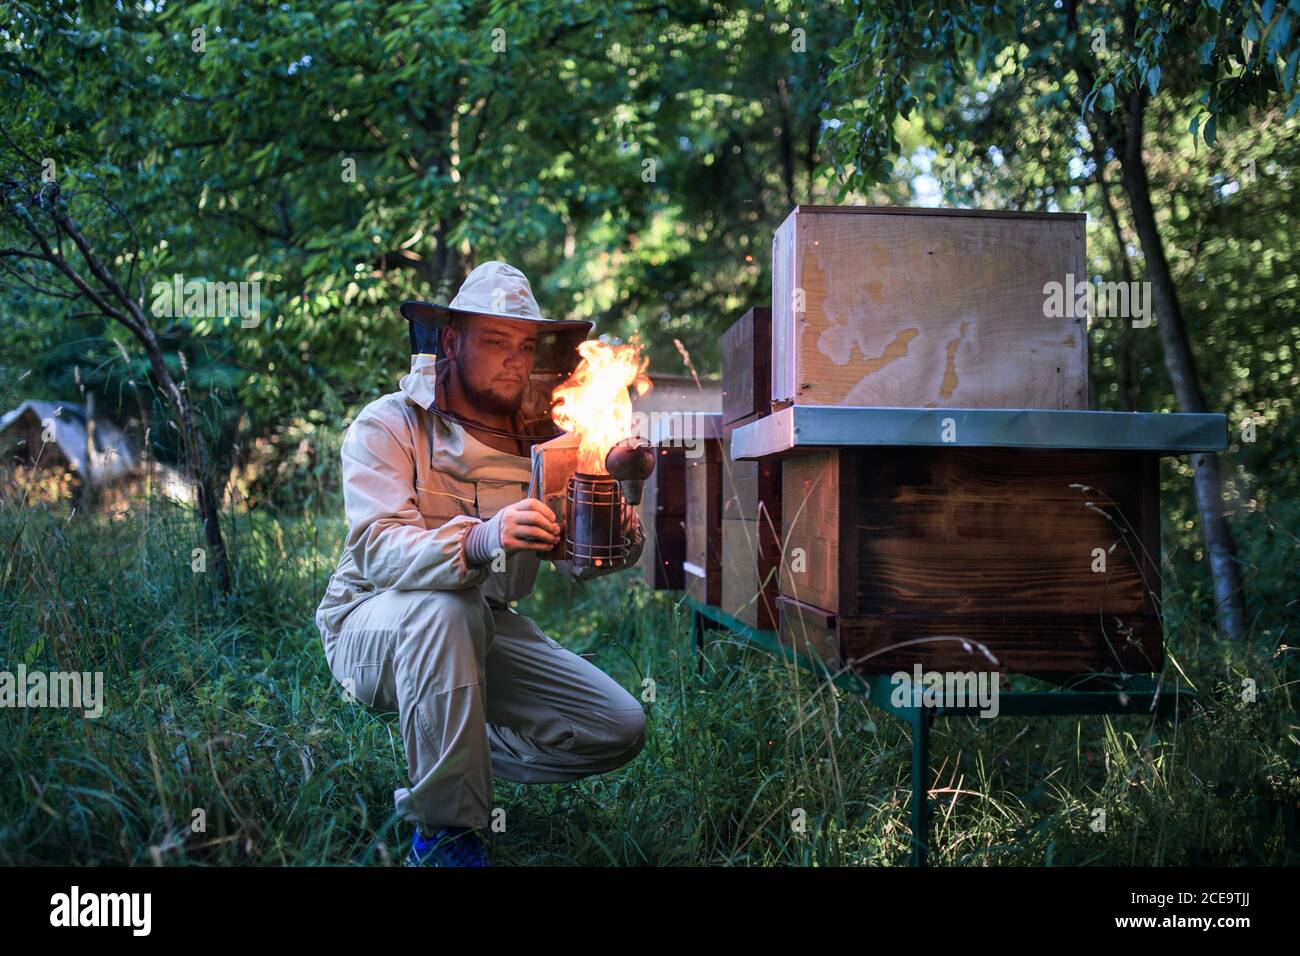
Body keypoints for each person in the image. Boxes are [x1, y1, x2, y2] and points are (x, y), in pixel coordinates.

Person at [314, 261, 647, 867]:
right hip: (371, 624)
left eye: (523, 346)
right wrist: (477, 540)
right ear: (450, 340)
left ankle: (449, 748)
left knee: (617, 726)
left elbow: (587, 562)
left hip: (483, 623)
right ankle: (442, 836)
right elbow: (377, 548)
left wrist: (620, 514)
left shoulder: (546, 445)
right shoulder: (387, 424)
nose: (514, 361)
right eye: (495, 342)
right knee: (447, 608)